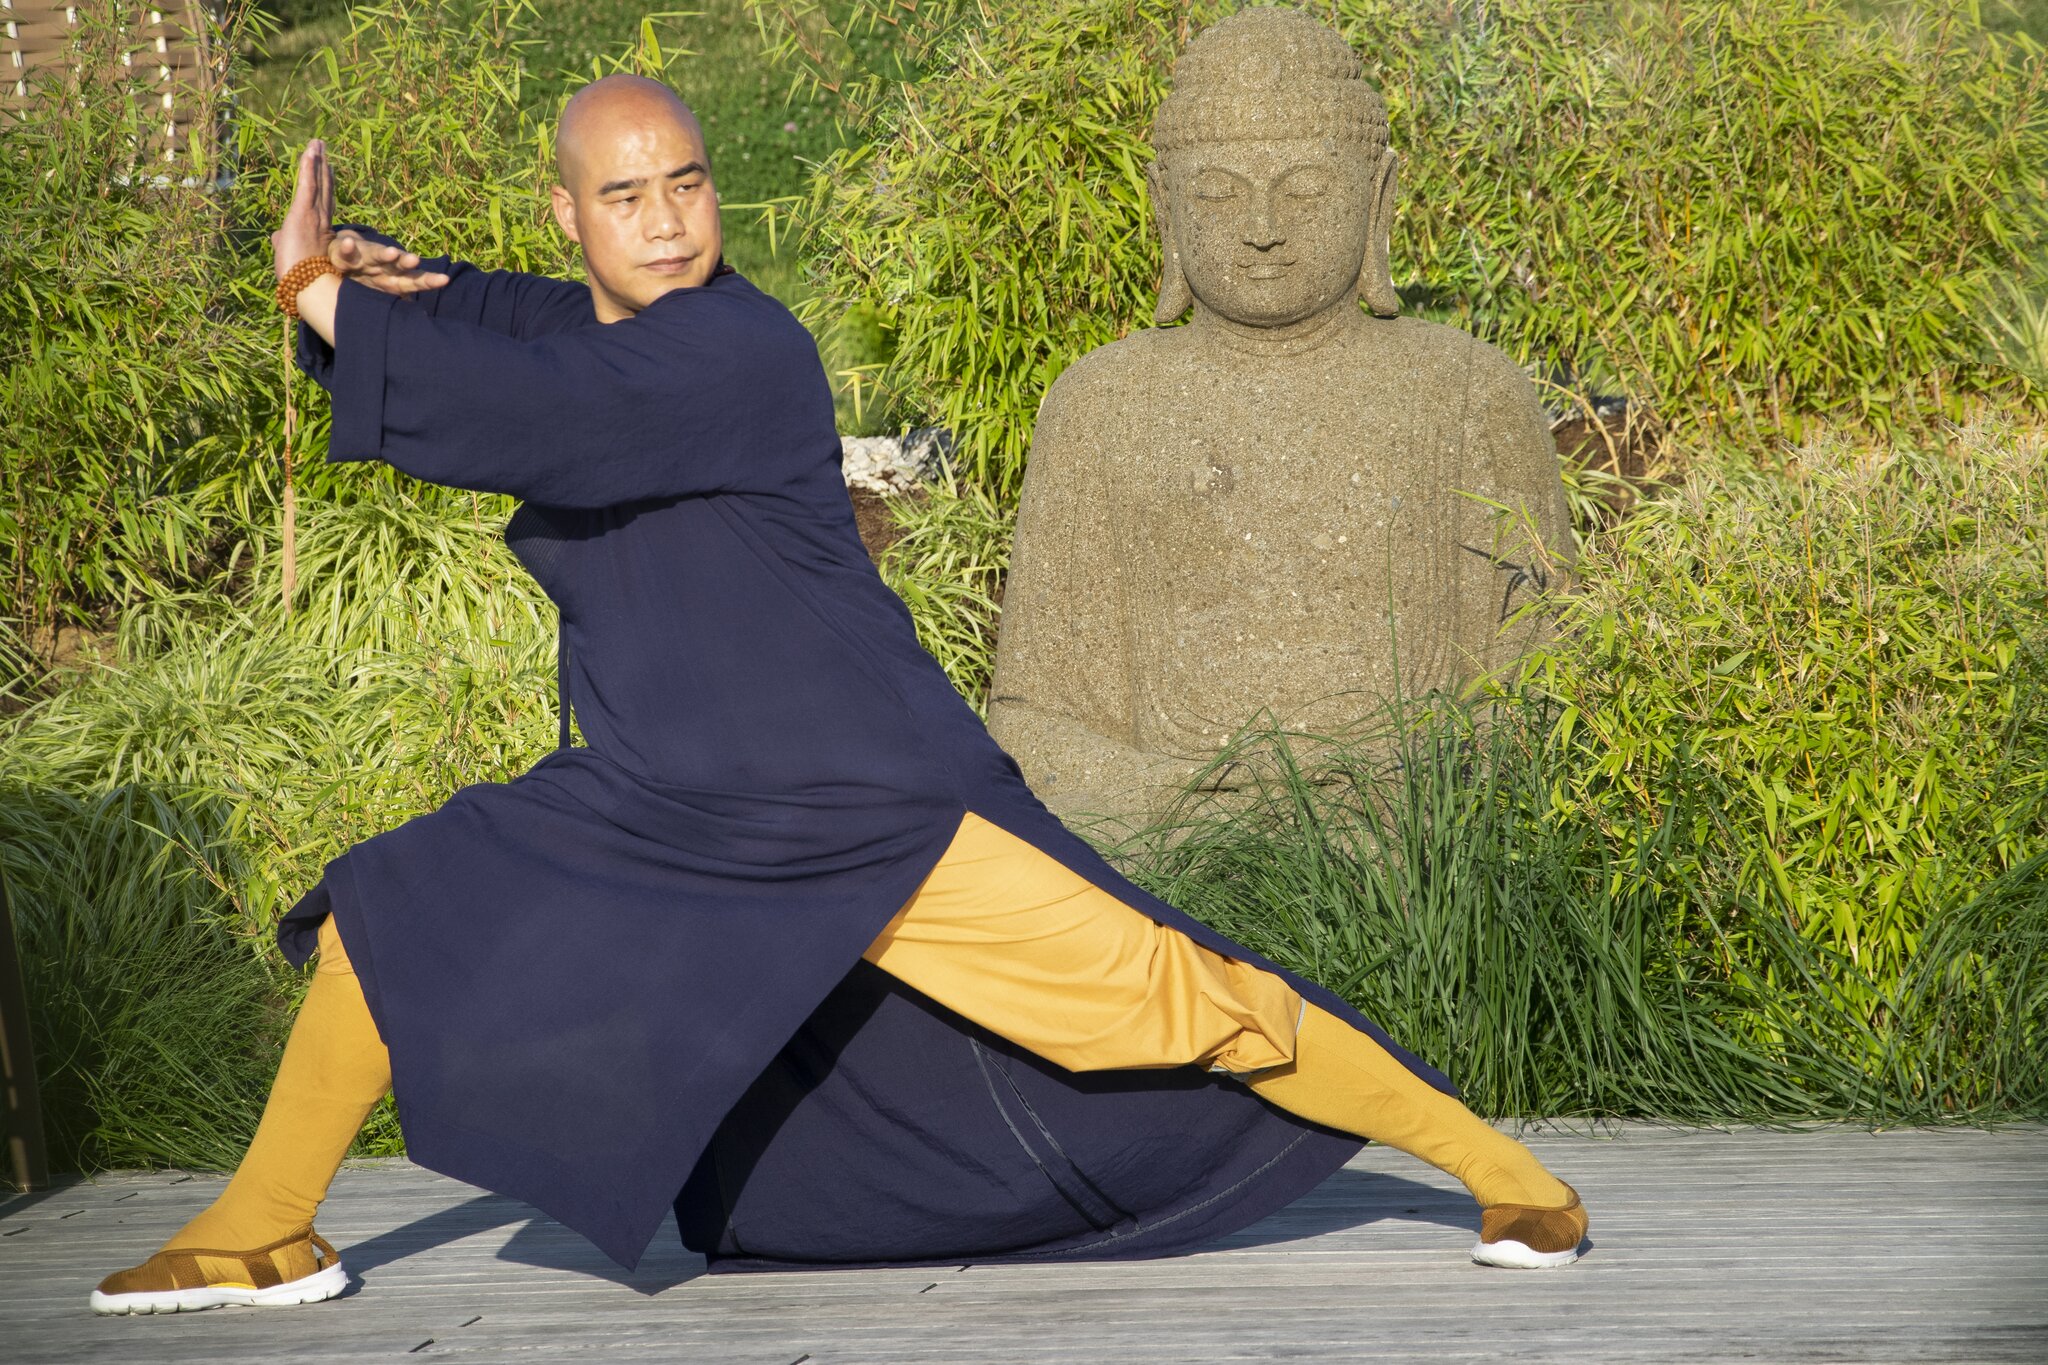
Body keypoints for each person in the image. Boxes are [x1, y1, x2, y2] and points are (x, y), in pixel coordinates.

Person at [89, 72, 1587, 1317]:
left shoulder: (740, 348)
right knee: (393, 911)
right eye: (624, 197)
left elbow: (545, 407)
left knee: (1167, 999)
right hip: (667, 792)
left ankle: (1502, 1169)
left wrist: (313, 289)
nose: (666, 221)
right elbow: (521, 325)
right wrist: (379, 279)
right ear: (570, 212)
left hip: (863, 799)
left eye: (686, 183)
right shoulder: (609, 318)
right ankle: (261, 1227)